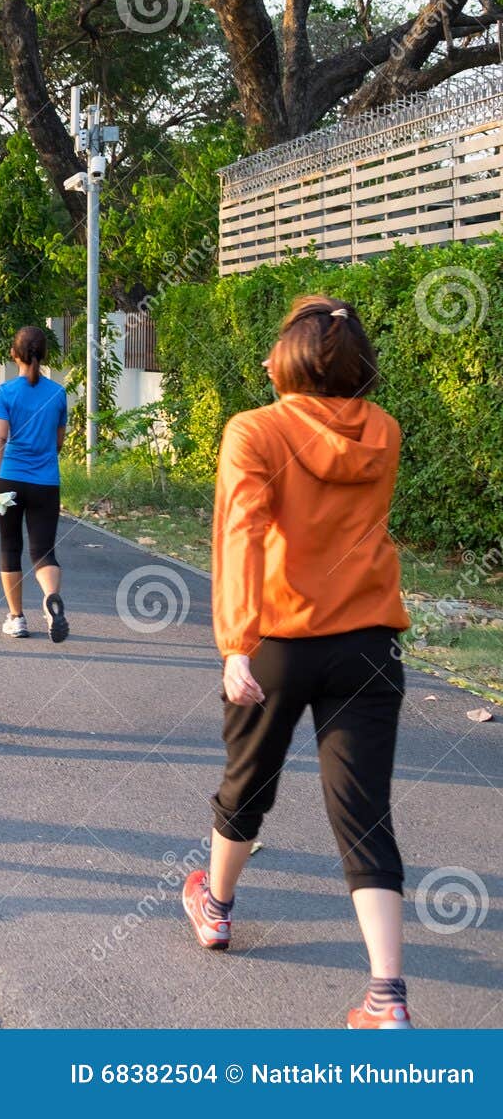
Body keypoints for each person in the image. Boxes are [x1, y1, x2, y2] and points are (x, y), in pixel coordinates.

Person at [181, 296, 413, 1029]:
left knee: (248, 784)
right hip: (370, 641)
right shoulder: (384, 431)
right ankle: (386, 997)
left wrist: (235, 642)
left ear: (283, 360)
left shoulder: (254, 429)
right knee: (364, 814)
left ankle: (215, 908)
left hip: (277, 640)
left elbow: (242, 534)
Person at [0, 326, 69, 643]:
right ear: (44, 354)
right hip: (46, 481)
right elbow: (58, 442)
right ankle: (50, 600)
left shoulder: (5, 392)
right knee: (44, 551)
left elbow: (0, 436)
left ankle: (17, 618)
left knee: (10, 547)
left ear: (14, 354)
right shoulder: (58, 394)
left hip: (10, 478)